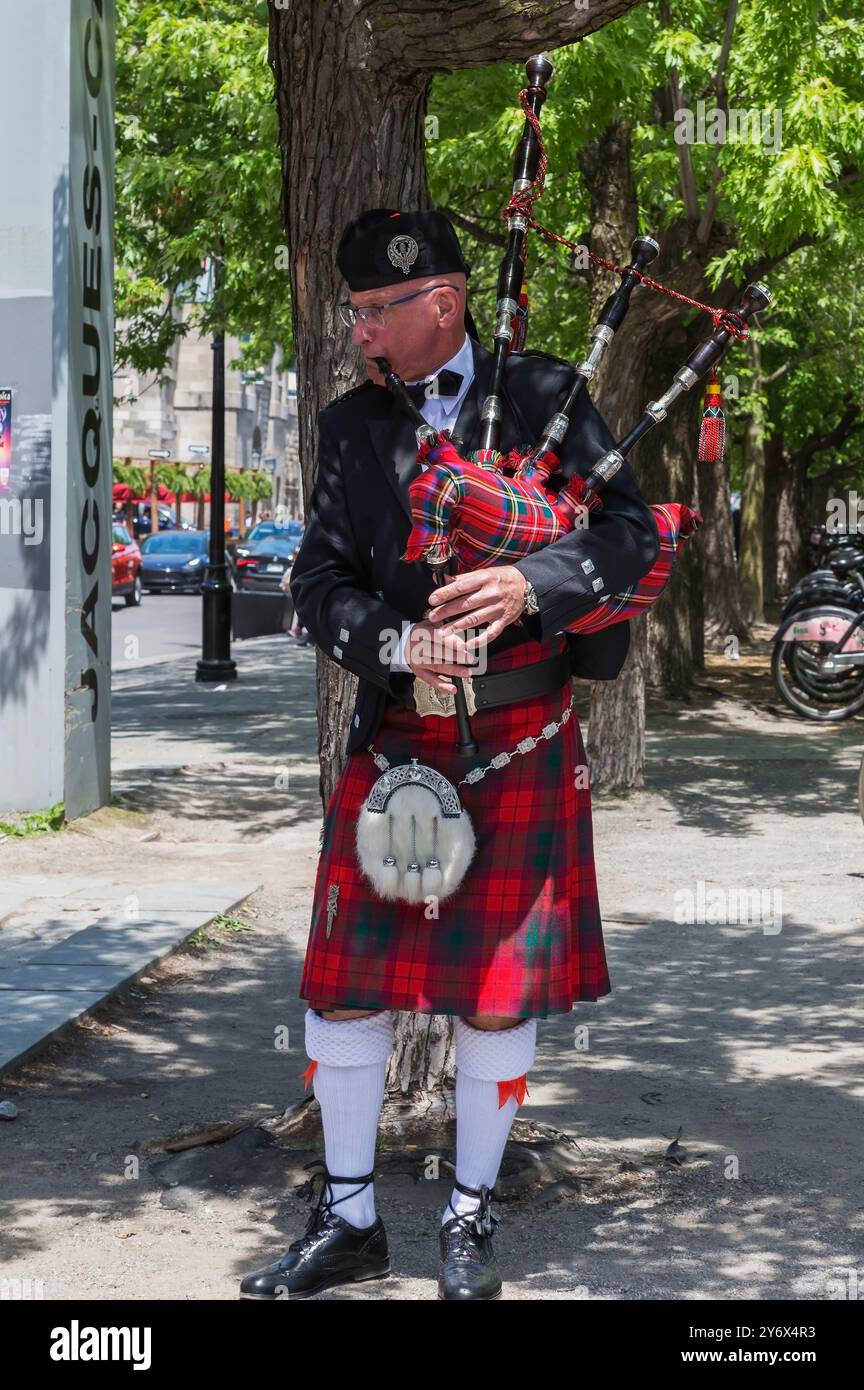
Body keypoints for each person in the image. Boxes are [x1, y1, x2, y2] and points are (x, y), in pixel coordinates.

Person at [239, 208, 659, 1302]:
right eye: (352, 312)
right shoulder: (349, 428)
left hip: (519, 734)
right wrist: (393, 639)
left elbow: (629, 535)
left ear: (444, 300)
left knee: (491, 995)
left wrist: (531, 583)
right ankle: (348, 1219)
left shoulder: (543, 398)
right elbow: (316, 584)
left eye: (376, 311)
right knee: (342, 994)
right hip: (398, 735)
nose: (359, 332)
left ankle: (467, 1218)